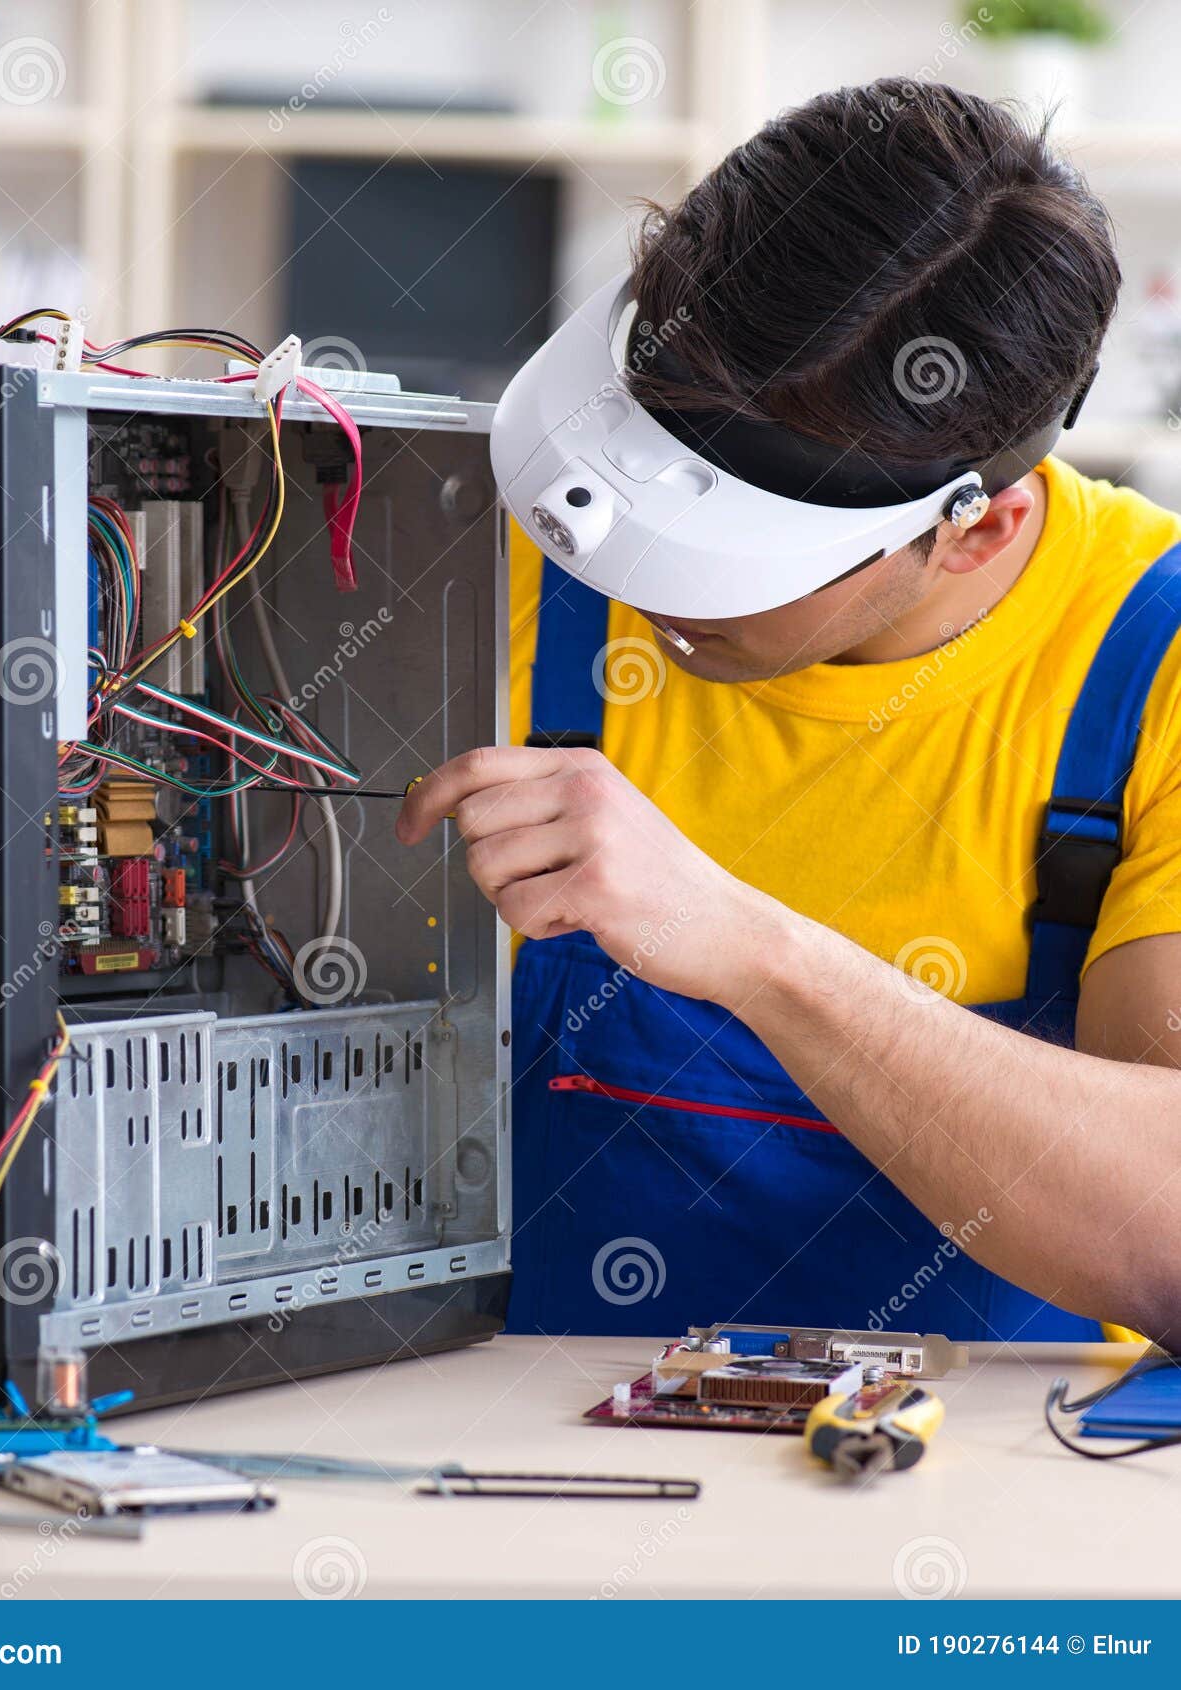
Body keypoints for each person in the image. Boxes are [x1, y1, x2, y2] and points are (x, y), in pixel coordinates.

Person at [397, 80, 1181, 1345]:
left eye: (726, 559)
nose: (645, 579)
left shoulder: (1150, 663)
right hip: (531, 1429)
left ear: (975, 529)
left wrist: (749, 948)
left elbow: (1167, 1236)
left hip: (984, 1457)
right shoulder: (494, 576)